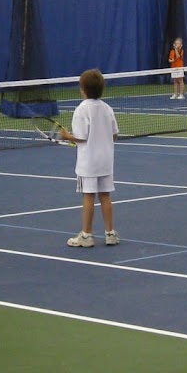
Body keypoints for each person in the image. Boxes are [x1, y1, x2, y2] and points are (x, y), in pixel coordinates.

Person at [56, 69, 120, 248]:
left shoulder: (81, 109)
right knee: (106, 195)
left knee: (88, 196)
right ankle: (110, 233)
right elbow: (114, 134)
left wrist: (67, 136)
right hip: (106, 161)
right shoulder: (108, 108)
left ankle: (86, 235)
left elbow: (81, 136)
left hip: (89, 163)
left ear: (83, 89)